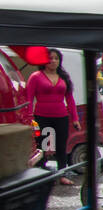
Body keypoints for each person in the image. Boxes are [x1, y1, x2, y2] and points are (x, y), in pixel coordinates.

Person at [28, 47, 82, 186]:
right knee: (43, 146)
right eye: (50, 58)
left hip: (61, 116)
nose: (53, 61)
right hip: (41, 116)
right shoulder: (36, 76)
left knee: (61, 146)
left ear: (59, 61)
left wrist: (75, 119)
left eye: (56, 58)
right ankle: (40, 174)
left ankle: (62, 174)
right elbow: (29, 98)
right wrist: (29, 118)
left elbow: (69, 99)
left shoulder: (64, 77)